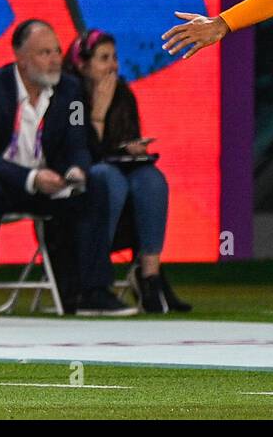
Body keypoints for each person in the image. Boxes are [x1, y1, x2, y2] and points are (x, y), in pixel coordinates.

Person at [0, 19, 135, 316]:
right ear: (20, 58)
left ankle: (94, 292)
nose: (55, 60)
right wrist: (32, 178)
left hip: (46, 185)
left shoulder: (70, 92)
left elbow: (78, 144)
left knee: (95, 181)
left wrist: (76, 170)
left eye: (57, 52)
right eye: (44, 53)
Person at [64, 29, 191, 313]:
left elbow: (116, 146)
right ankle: (93, 278)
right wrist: (97, 112)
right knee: (108, 178)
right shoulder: (68, 95)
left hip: (117, 177)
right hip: (79, 184)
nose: (113, 66)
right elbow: (80, 152)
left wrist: (131, 149)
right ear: (82, 64)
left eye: (115, 58)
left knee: (150, 178)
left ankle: (149, 276)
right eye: (103, 58)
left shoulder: (122, 93)